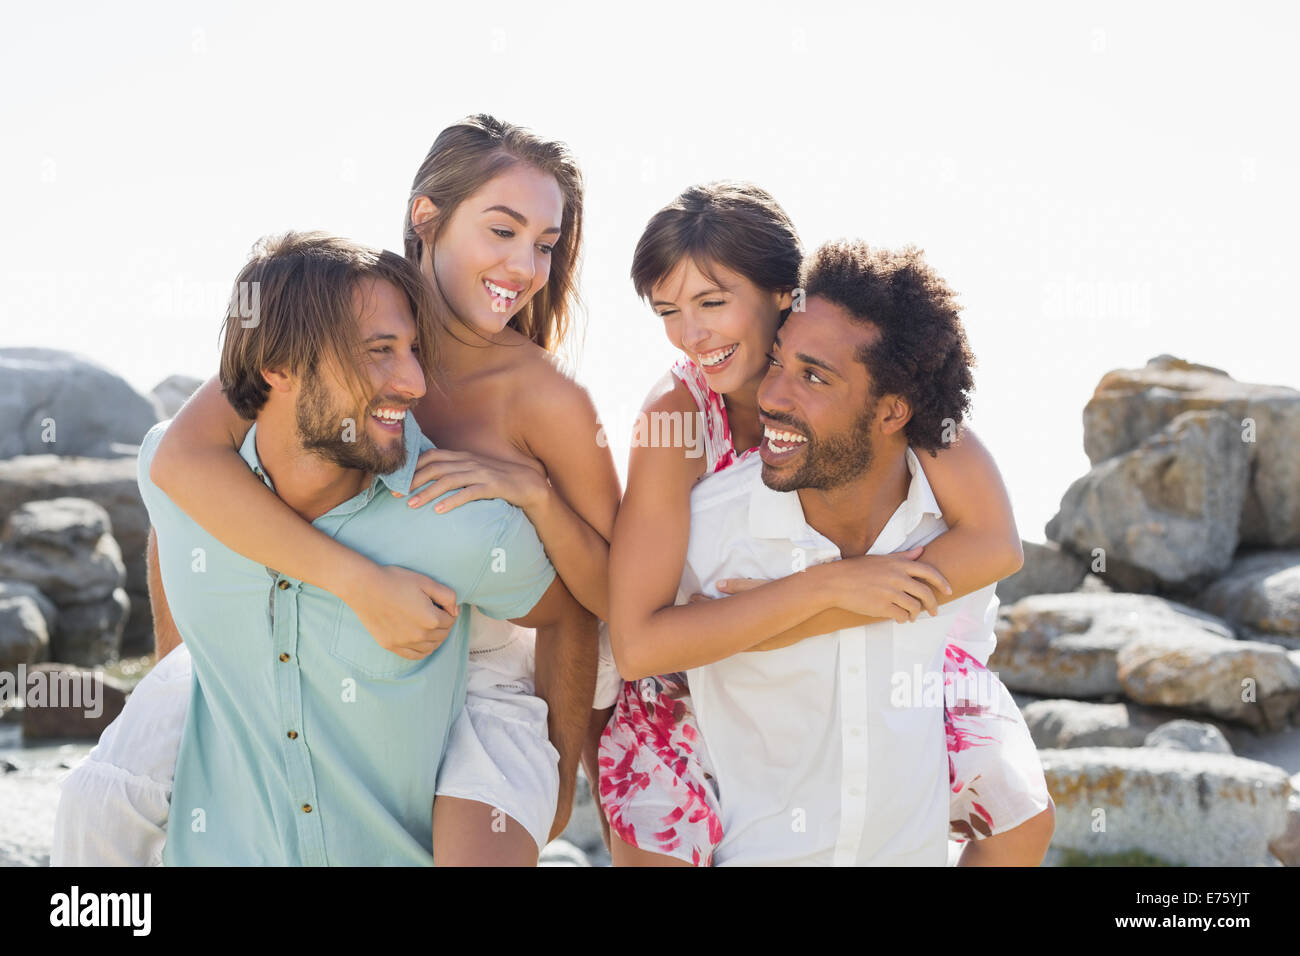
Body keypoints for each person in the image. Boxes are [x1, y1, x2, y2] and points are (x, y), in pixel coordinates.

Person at [56, 115, 622, 867]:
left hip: (491, 643)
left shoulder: (545, 399)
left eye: (545, 245)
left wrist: (566, 773)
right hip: (361, 607)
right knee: (97, 806)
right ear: (427, 217)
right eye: (502, 230)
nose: (524, 265)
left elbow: (603, 601)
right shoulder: (344, 313)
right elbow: (182, 479)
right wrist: (199, 667)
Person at [602, 185, 1053, 865]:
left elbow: (993, 540)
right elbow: (641, 642)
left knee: (1019, 812)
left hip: (893, 646)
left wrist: (840, 593)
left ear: (786, 295)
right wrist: (827, 589)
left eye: (712, 303)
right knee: (663, 824)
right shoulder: (676, 418)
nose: (691, 335)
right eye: (669, 311)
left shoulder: (876, 386)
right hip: (692, 673)